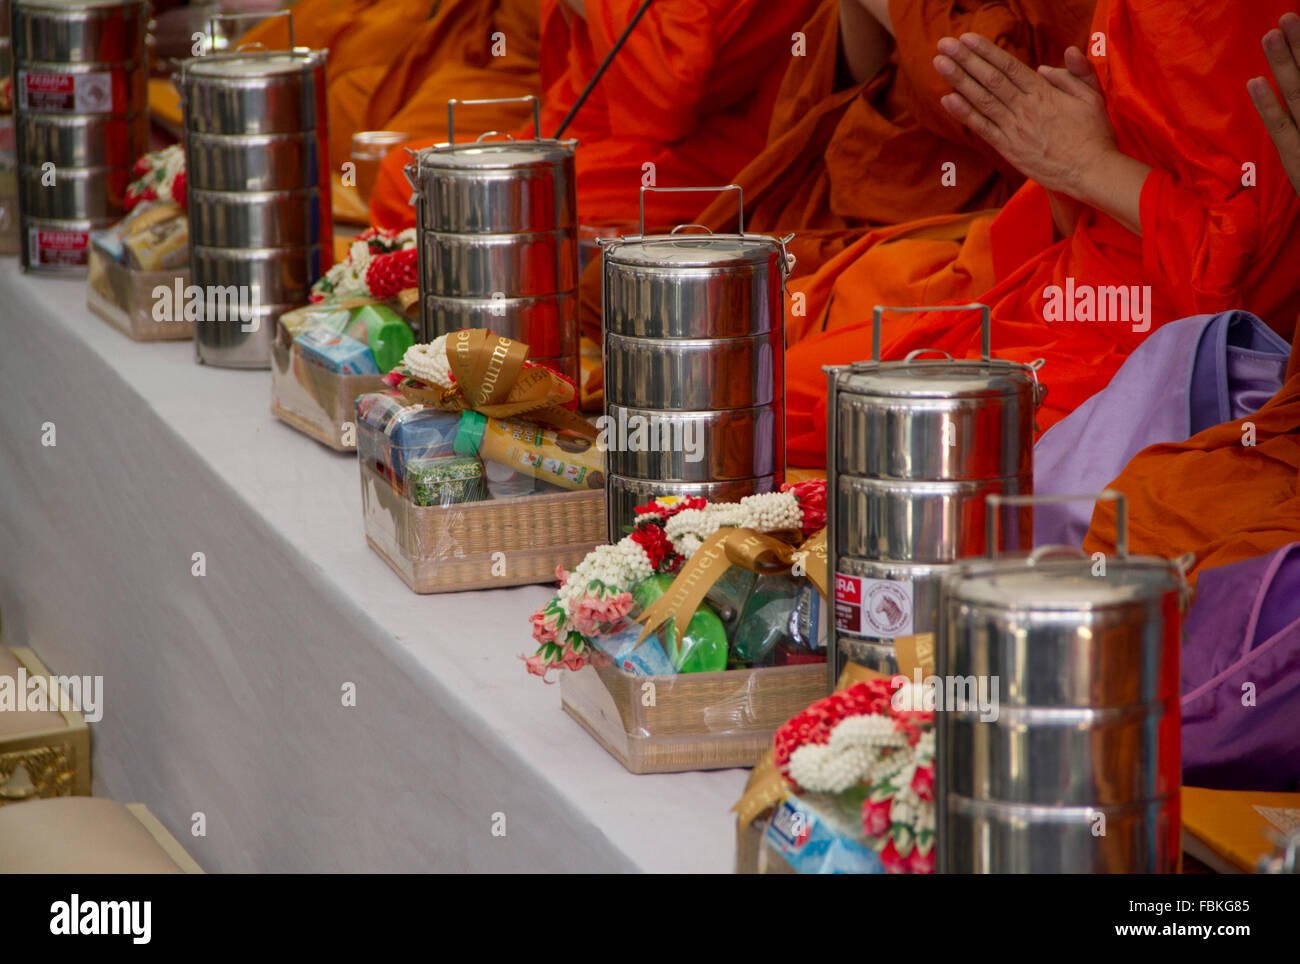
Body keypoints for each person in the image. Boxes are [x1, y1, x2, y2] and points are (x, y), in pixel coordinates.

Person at [780, 0, 1300, 466]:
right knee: (777, 383)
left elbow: (1237, 300)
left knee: (870, 422)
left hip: (1157, 354)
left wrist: (1086, 164)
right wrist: (1063, 160)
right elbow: (1084, 208)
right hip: (1058, 292)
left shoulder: (1242, 24)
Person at [1085, 12, 1300, 582]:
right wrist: (1077, 163)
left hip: (1184, 336)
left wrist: (1090, 165)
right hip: (1086, 296)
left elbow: (1241, 287)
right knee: (1136, 517)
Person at [692, 0, 1096, 279]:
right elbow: (861, 78)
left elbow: (1022, 99)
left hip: (981, 222)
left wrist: (897, 10)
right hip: (862, 186)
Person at [369, 0, 823, 231]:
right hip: (596, 121)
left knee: (481, 206)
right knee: (407, 177)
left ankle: (495, 359)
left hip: (705, 153)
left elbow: (665, 96)